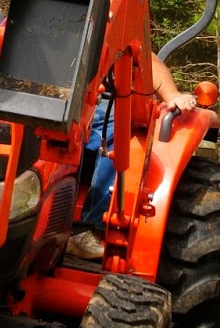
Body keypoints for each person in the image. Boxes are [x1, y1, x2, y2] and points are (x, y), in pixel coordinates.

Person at [66, 57, 197, 260]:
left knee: (120, 128)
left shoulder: (105, 29)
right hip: (55, 99)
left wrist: (172, 95)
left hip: (101, 104)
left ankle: (89, 229)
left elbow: (145, 59)